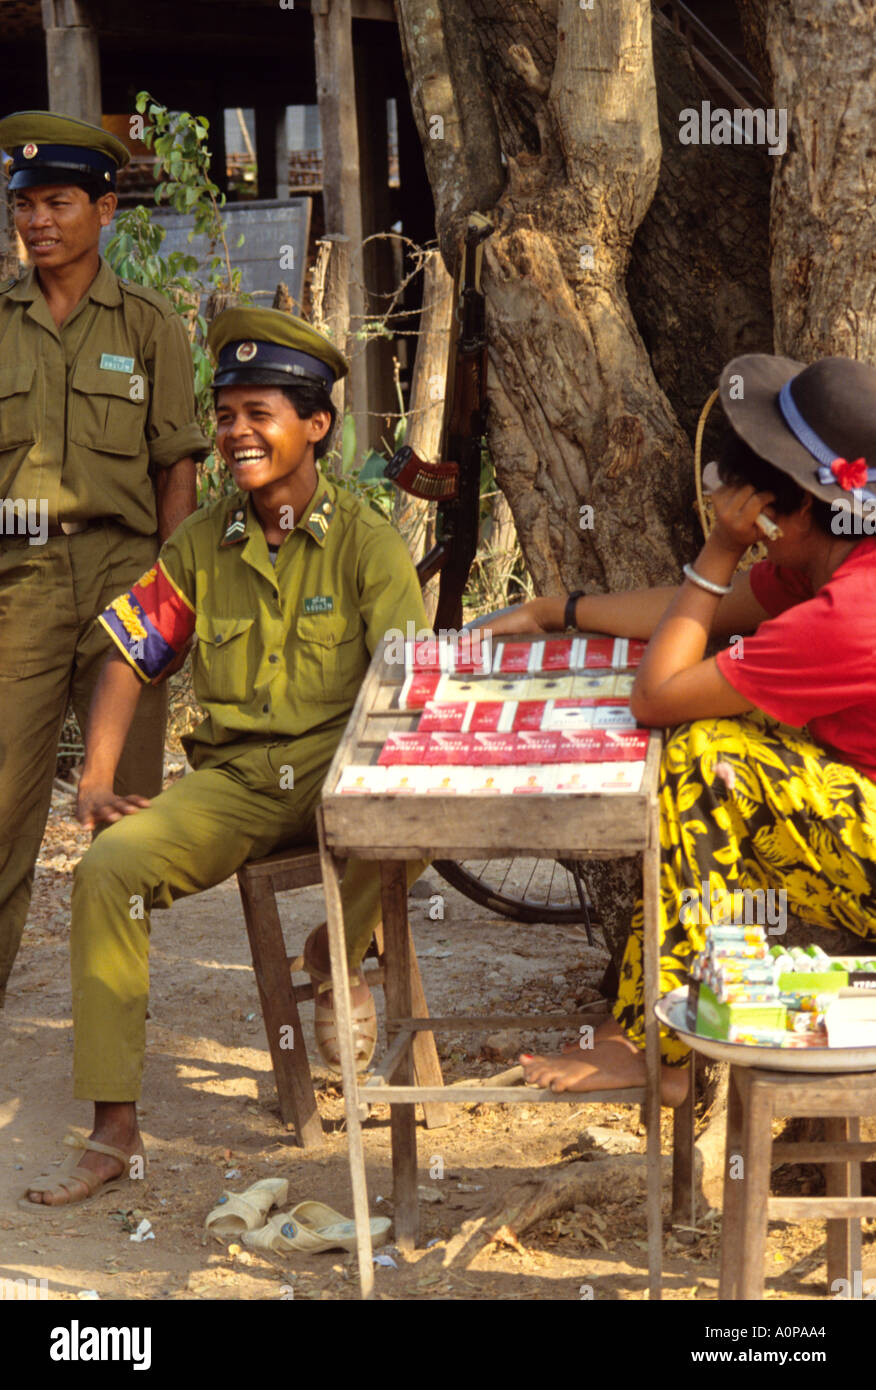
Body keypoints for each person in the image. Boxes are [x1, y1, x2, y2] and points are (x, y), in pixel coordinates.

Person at [21, 307, 429, 1210]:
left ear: (315, 425)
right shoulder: (202, 544)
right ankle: (114, 1133)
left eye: (260, 414)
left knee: (419, 798)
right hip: (237, 784)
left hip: (341, 766)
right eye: (226, 414)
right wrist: (95, 779)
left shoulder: (367, 542)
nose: (236, 433)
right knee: (109, 869)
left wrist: (380, 775)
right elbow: (132, 653)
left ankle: (338, 943)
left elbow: (410, 688)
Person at [489, 354, 876, 1100]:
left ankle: (659, 1049)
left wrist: (722, 546)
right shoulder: (834, 560)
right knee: (712, 772)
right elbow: (708, 609)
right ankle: (649, 1019)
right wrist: (559, 610)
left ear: (787, 505)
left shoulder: (850, 614)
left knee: (705, 758)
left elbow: (658, 696)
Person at [0, 110, 207, 1007]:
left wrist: (172, 597)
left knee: (124, 815)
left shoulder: (153, 325)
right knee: (5, 801)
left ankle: (111, 1013)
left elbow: (178, 468)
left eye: (58, 201)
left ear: (104, 208)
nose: (38, 220)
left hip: (129, 578)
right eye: (24, 203)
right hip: (24, 579)